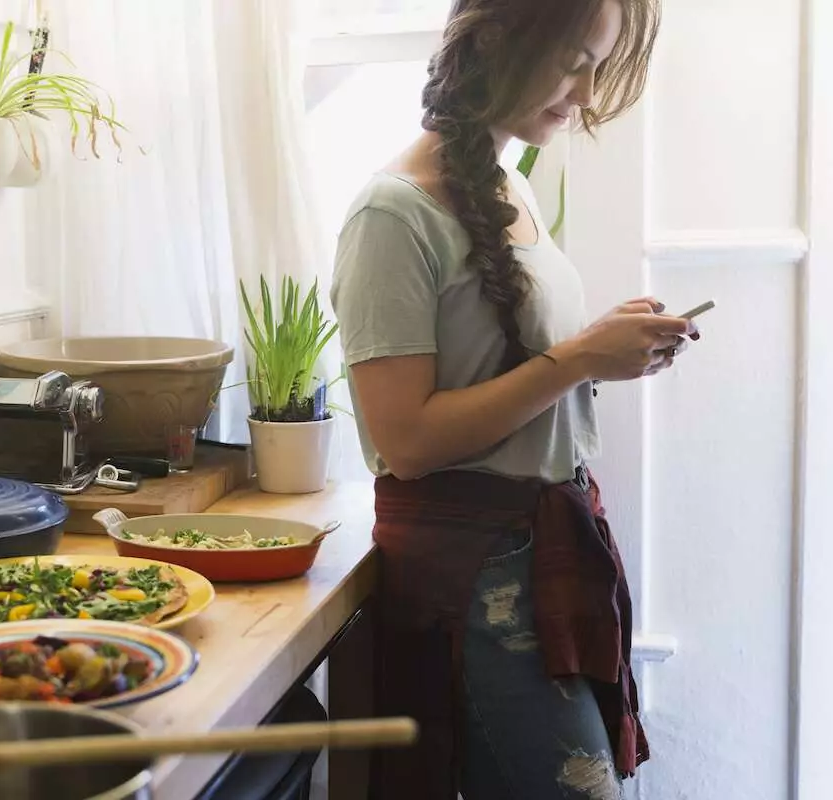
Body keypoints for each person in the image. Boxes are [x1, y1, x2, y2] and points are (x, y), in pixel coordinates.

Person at [328, 0, 688, 797]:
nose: (588, 94)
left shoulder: (507, 184)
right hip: (479, 576)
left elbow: (507, 367)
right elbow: (408, 440)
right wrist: (577, 357)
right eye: (574, 60)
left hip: (534, 559)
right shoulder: (393, 214)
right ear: (494, 39)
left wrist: (598, 346)